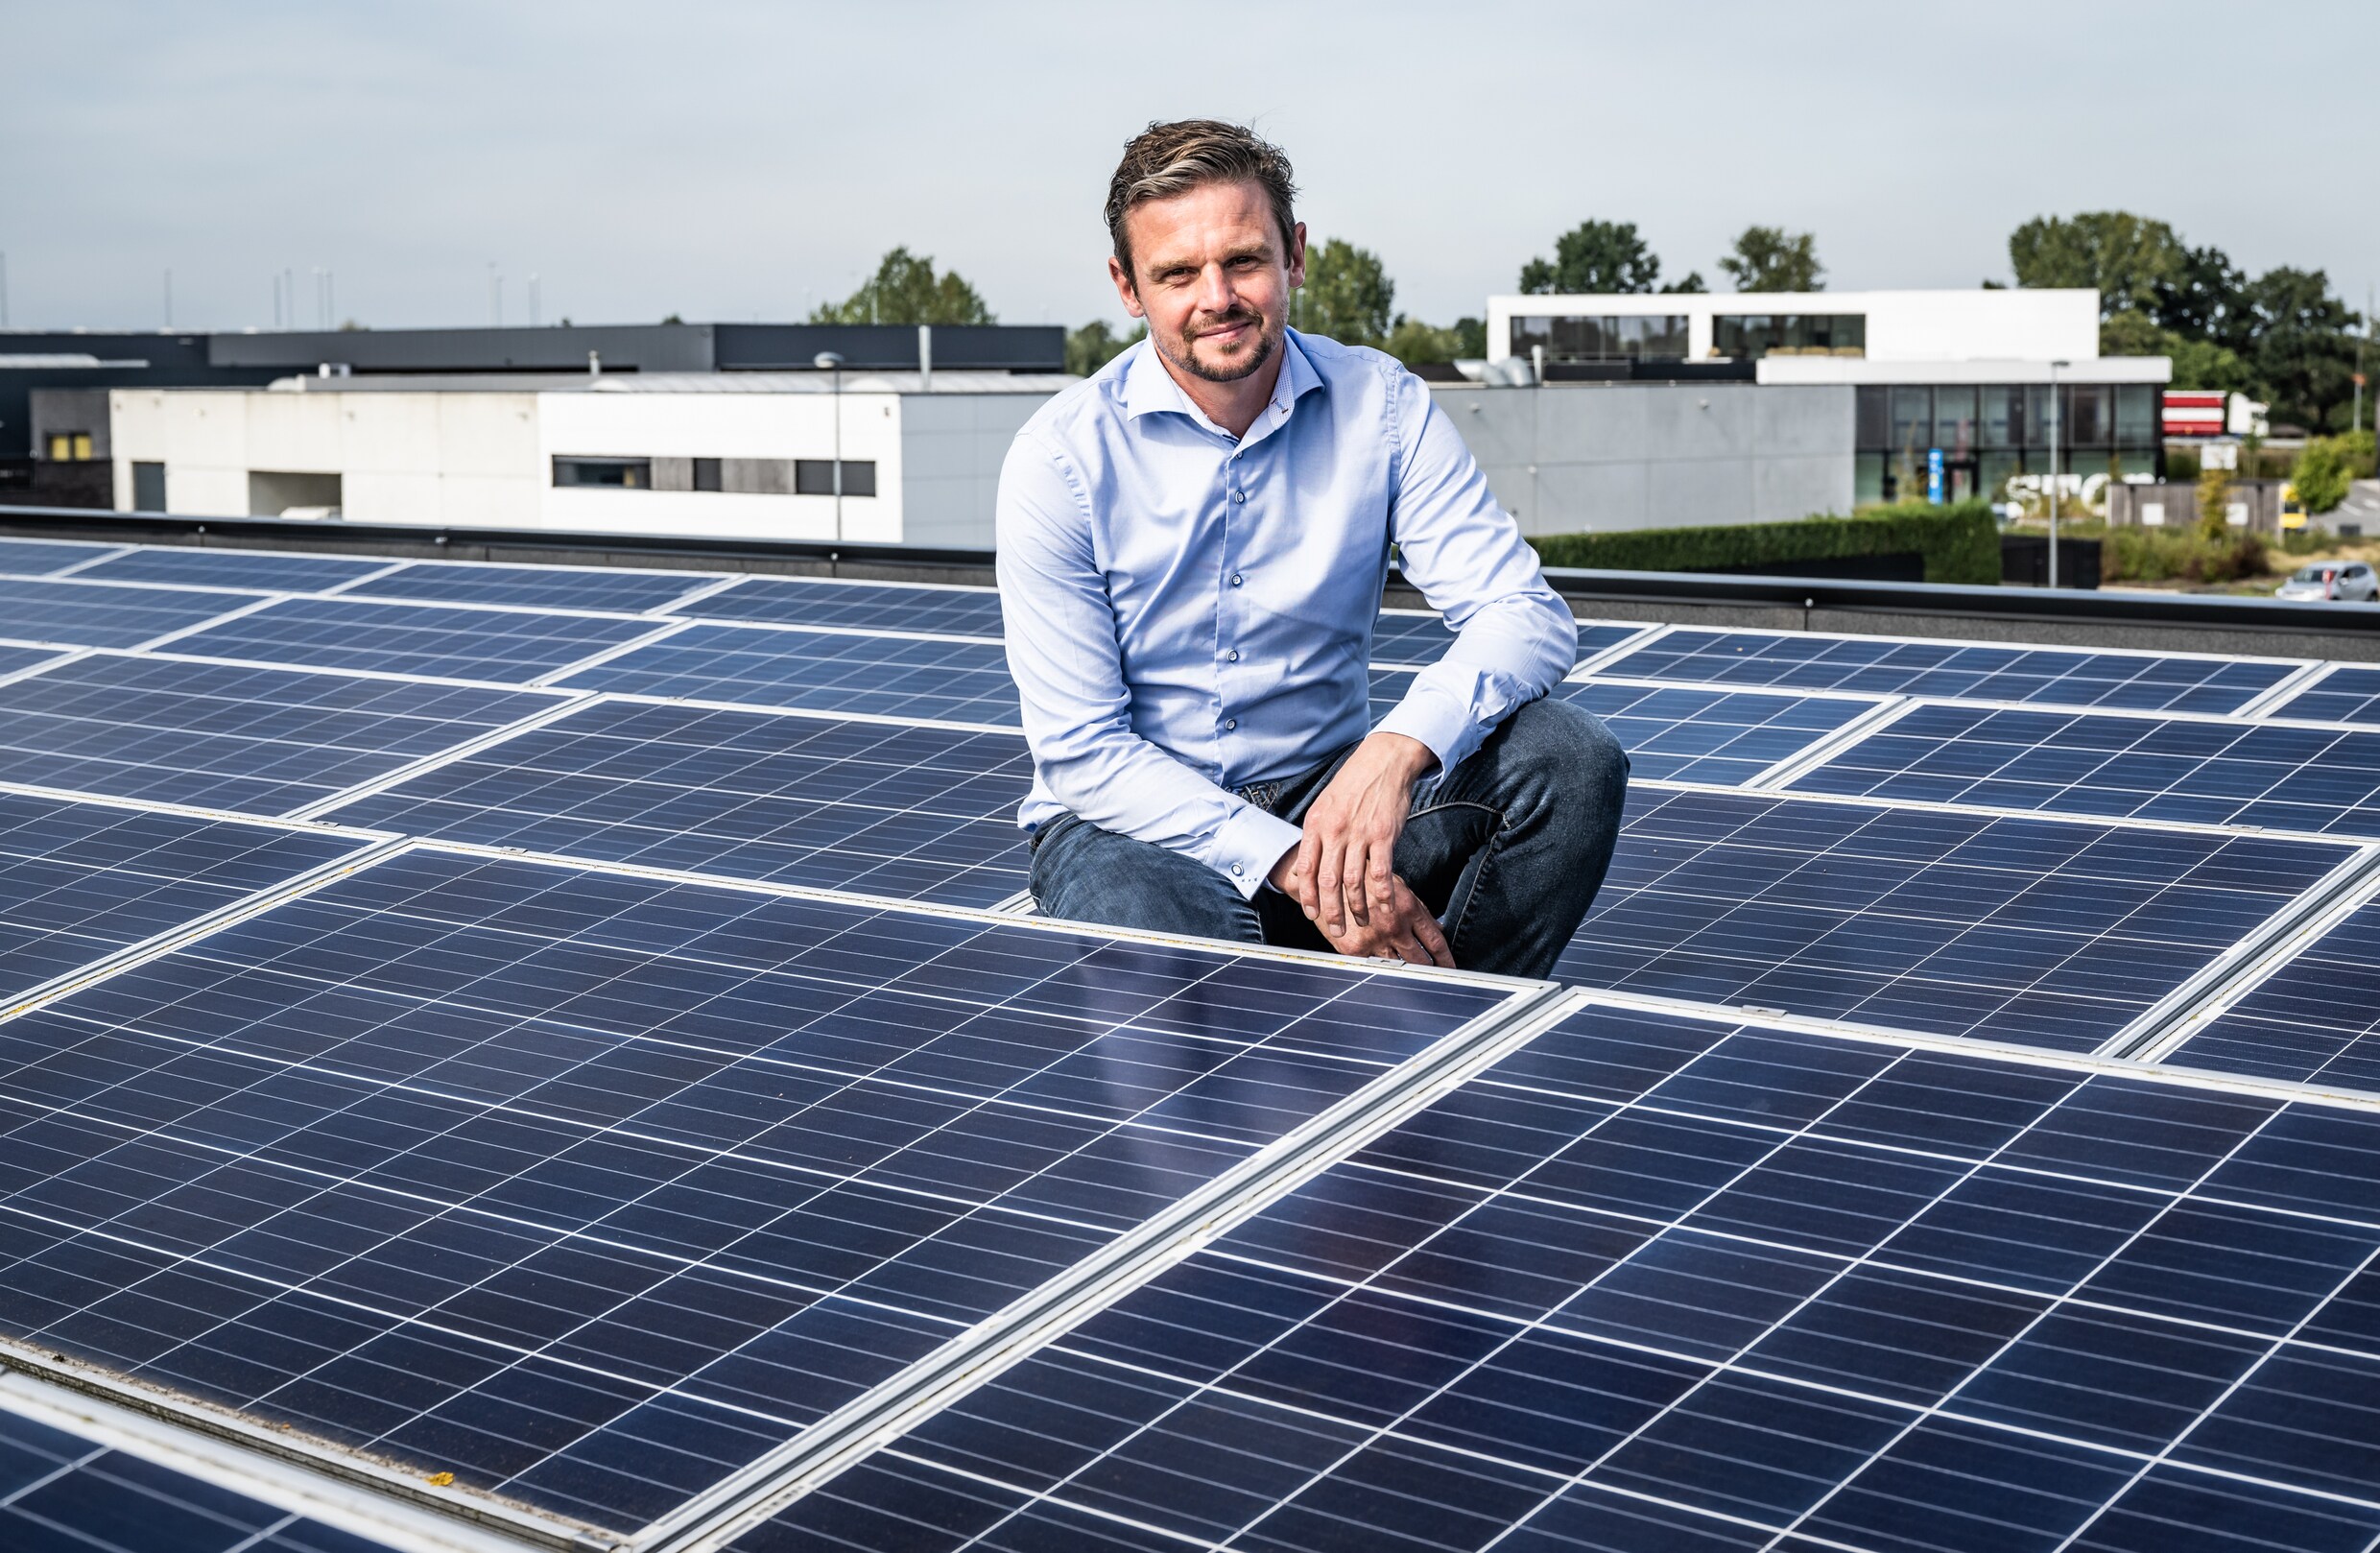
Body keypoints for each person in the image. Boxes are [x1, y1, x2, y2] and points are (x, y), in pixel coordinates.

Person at [996, 119, 1627, 980]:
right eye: (1177, 273)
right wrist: (1297, 867)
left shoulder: (1384, 404)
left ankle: (1450, 1027)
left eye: (1244, 260)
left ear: (1294, 254)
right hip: (1132, 829)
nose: (1216, 296)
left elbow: (1523, 614)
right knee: (1160, 930)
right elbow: (1081, 752)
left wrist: (1396, 750)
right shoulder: (1061, 457)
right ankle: (1304, 970)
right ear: (1128, 286)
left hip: (1333, 797)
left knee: (1572, 762)